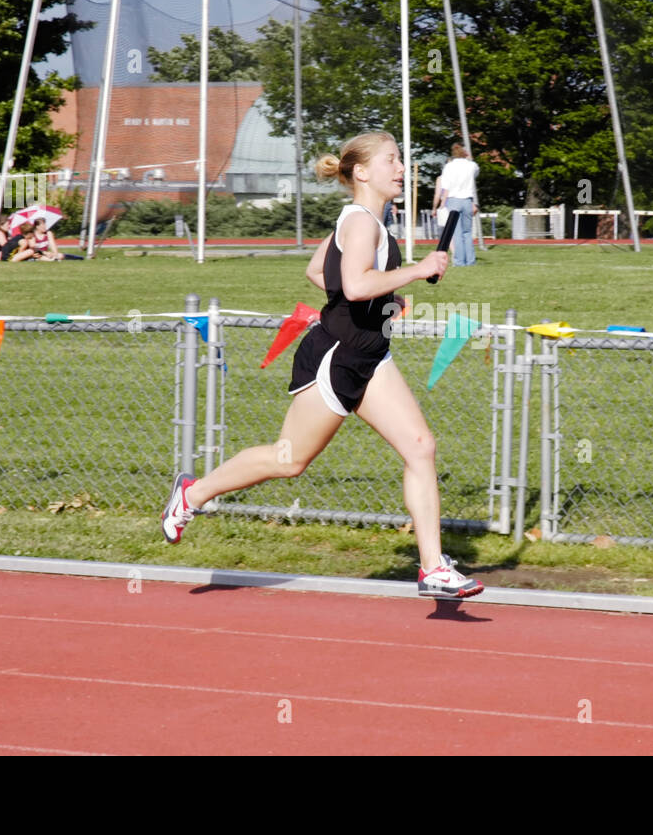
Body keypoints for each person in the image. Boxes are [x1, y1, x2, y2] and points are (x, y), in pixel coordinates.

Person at [160, 130, 484, 599]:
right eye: (392, 161)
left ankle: (432, 568)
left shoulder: (367, 219)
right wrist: (414, 270)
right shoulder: (361, 223)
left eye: (400, 161)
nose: (400, 169)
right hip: (336, 359)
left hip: (370, 354)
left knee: (420, 446)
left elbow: (319, 272)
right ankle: (191, 494)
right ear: (362, 172)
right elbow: (352, 286)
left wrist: (385, 296)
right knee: (288, 461)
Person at [439, 143, 479, 265]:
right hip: (467, 200)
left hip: (453, 200)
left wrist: (442, 203)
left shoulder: (449, 167)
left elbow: (445, 186)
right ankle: (470, 260)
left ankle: (459, 261)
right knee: (467, 232)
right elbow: (475, 174)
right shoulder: (472, 165)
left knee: (456, 232)